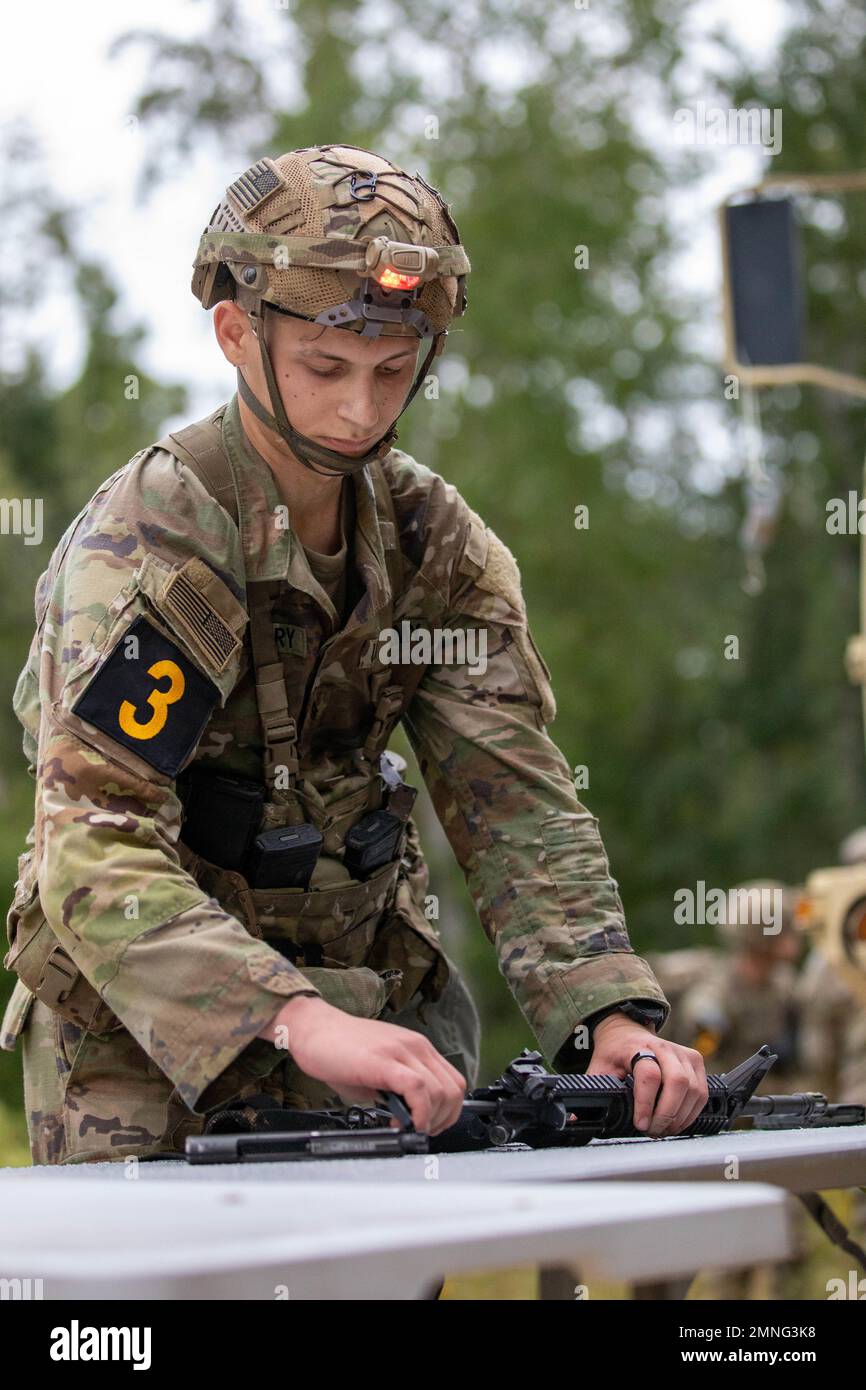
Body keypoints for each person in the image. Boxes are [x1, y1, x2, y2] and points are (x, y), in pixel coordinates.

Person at [1, 144, 706, 1165]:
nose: (360, 409)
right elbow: (93, 845)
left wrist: (605, 1015)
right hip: (144, 1051)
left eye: (392, 370)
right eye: (326, 367)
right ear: (236, 334)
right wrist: (292, 1017)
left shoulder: (431, 538)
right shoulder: (163, 532)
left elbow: (515, 801)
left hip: (370, 1018)